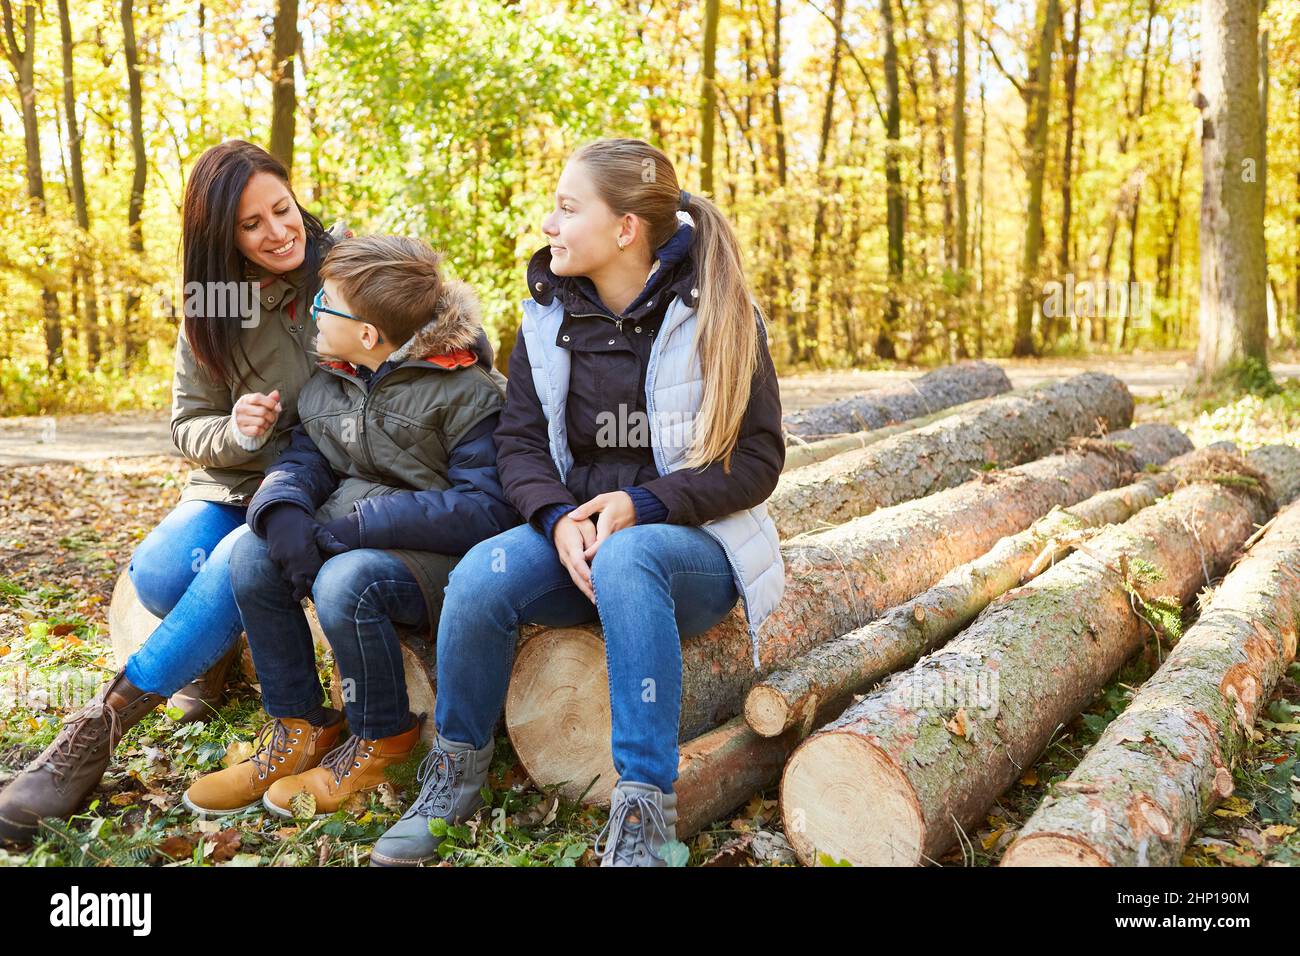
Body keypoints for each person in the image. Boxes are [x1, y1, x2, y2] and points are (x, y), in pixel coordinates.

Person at [369, 138, 785, 868]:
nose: (548, 225)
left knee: (628, 554)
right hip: (577, 538)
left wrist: (643, 504)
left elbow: (756, 462)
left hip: (693, 547)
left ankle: (645, 814)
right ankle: (453, 777)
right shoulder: (544, 320)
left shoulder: (722, 314)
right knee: (481, 573)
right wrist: (557, 518)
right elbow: (520, 447)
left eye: (567, 208)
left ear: (625, 229)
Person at [0, 140, 340, 844]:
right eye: (253, 225)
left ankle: (93, 734)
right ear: (222, 237)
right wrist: (237, 431)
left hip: (317, 487)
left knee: (233, 562)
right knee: (159, 572)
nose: (279, 232)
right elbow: (187, 426)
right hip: (234, 482)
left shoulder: (346, 272)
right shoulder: (207, 306)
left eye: (284, 210)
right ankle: (210, 660)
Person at [181, 235, 519, 818]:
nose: (311, 310)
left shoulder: (467, 393)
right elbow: (305, 456)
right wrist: (282, 508)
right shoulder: (330, 380)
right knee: (249, 557)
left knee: (345, 580)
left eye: (324, 304)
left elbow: (486, 508)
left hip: (438, 562)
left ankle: (383, 738)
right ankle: (301, 725)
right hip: (355, 539)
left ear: (368, 333)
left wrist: (359, 527)